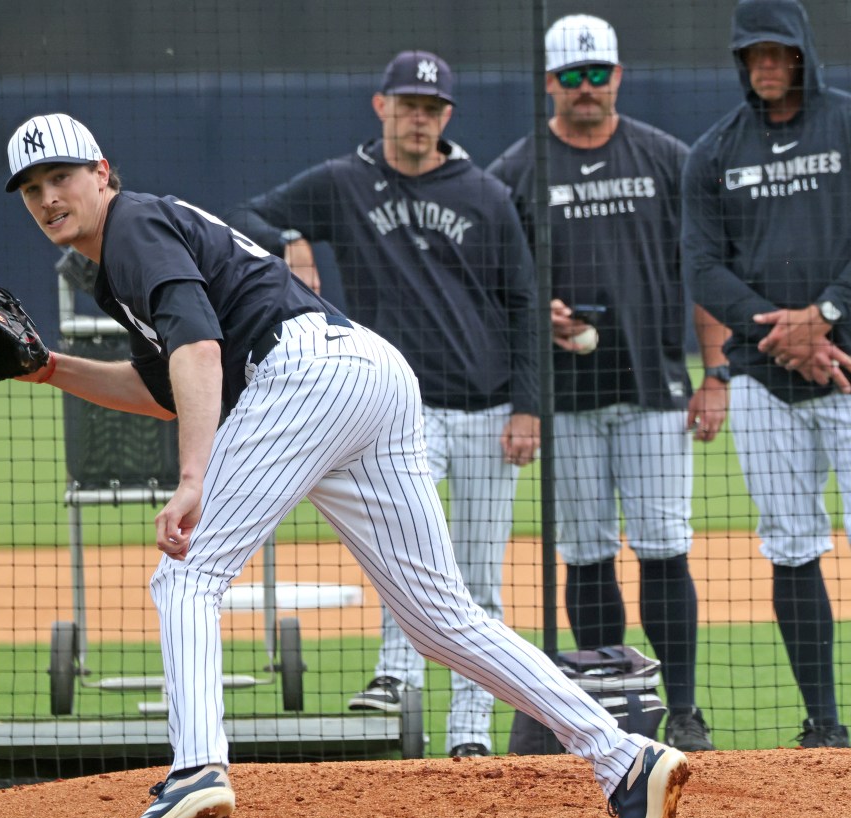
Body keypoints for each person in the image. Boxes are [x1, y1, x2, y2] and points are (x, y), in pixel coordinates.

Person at [1, 111, 689, 818]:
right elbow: (165, 389)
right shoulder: (124, 256)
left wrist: (192, 478)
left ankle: (196, 769)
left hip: (303, 374)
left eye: (61, 176)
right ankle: (627, 759)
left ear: (101, 171)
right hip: (364, 374)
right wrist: (49, 367)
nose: (48, 196)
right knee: (442, 618)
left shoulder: (133, 227)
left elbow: (199, 348)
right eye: (31, 188)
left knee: (187, 574)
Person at [226, 50, 539, 759]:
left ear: (446, 117)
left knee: (478, 581)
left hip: (491, 409)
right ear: (382, 107)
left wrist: (529, 406)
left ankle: (470, 734)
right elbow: (247, 215)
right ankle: (396, 685)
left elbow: (523, 302)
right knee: (410, 564)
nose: (419, 119)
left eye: (432, 109)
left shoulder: (486, 194)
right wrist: (294, 239)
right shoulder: (345, 182)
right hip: (402, 415)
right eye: (408, 106)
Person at [487, 15, 728, 753]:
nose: (586, 89)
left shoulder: (668, 159)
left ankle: (680, 707)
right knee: (586, 554)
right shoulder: (518, 171)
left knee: (664, 548)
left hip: (654, 388)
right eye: (572, 76)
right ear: (550, 82)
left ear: (618, 76)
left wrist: (714, 371)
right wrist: (539, 320)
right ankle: (601, 709)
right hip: (566, 402)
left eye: (599, 74)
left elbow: (706, 271)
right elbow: (495, 286)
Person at [682, 0, 851, 748]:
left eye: (778, 52)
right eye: (753, 54)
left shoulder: (846, 124)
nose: (766, 65)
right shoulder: (714, 152)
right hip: (763, 377)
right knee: (790, 543)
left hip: (846, 368)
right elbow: (701, 266)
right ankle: (824, 724)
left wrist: (827, 313)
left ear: (803, 54)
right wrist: (783, 333)